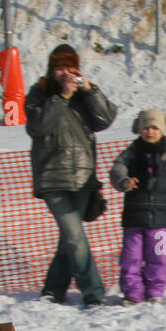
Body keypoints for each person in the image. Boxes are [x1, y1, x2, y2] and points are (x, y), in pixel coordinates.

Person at [26, 44, 117, 309]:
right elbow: (39, 126)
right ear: (51, 69)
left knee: (70, 238)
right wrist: (62, 96)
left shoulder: (83, 93)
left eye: (69, 67)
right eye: (59, 67)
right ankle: (94, 293)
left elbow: (105, 119)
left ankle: (53, 290)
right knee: (75, 236)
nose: (65, 72)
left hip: (83, 178)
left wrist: (90, 90)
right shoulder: (39, 94)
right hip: (52, 179)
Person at [108, 108, 166, 305]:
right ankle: (132, 293)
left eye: (155, 128)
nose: (150, 132)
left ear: (162, 130)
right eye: (146, 128)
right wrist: (124, 181)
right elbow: (116, 170)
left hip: (160, 220)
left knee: (158, 257)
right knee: (131, 258)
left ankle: (155, 290)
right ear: (140, 130)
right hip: (134, 218)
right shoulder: (130, 154)